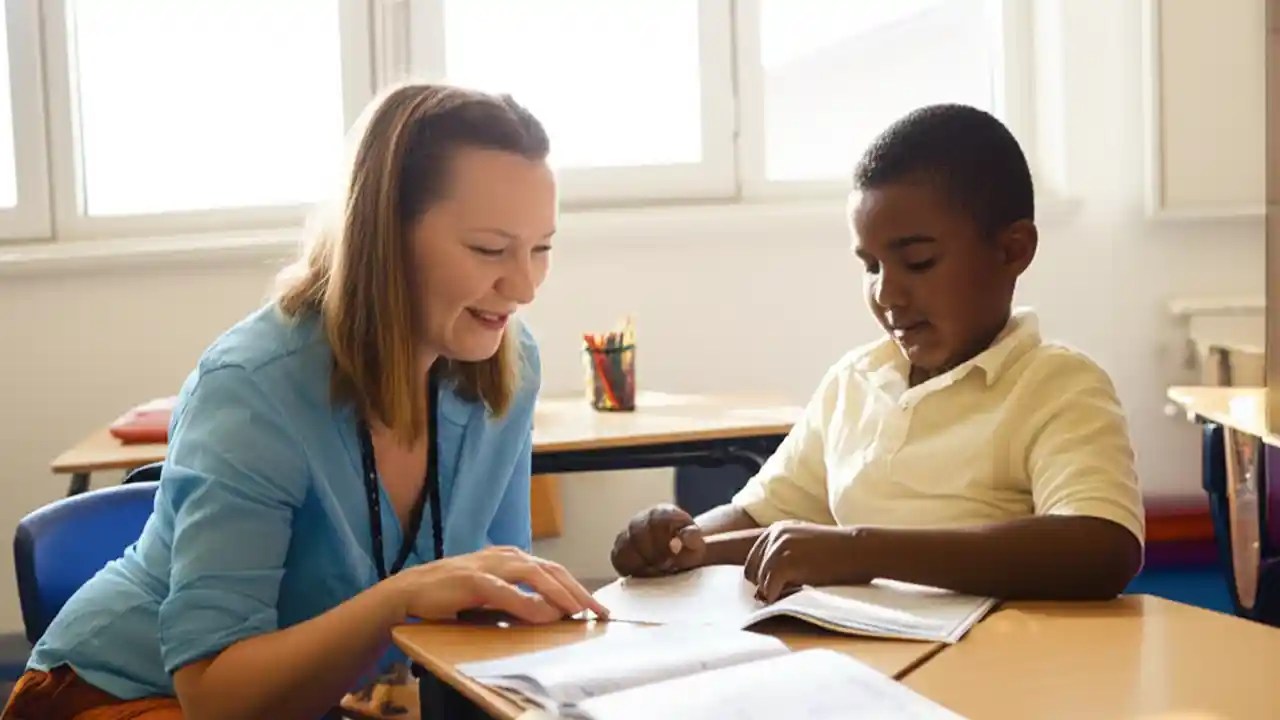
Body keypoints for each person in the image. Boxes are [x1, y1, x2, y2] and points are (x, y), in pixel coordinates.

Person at [3, 83, 607, 720]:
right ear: (384, 235)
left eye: (541, 248)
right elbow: (213, 697)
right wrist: (399, 600)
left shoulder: (507, 361)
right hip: (116, 695)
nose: (525, 286)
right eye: (489, 249)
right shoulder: (253, 386)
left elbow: (498, 598)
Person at [610, 104, 1144, 604]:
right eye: (870, 266)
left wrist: (861, 551)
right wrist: (680, 540)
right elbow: (760, 512)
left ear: (1012, 250)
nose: (887, 295)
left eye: (918, 261)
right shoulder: (855, 382)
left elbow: (1101, 546)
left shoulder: (1057, 384)